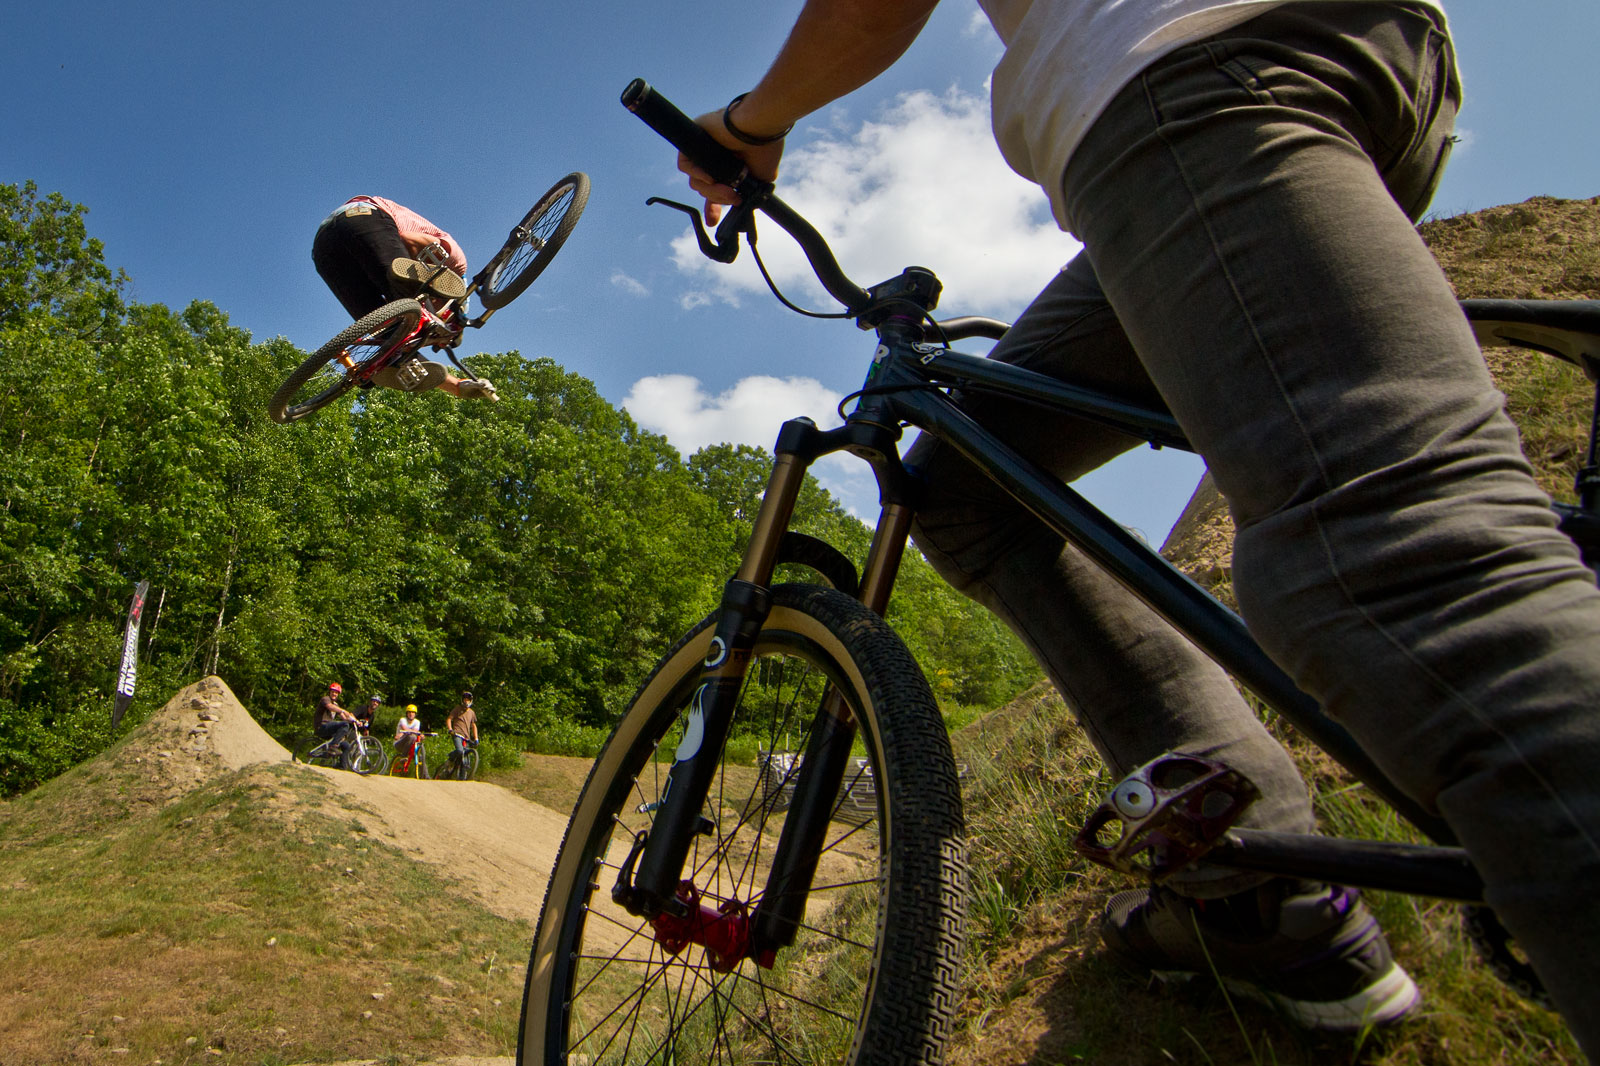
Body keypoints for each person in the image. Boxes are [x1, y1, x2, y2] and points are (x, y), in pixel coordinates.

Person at [675, 0, 1600, 1052]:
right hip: (1366, 60)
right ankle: (1254, 890)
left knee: (1387, 557)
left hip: (1195, 65)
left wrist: (749, 125)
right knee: (973, 489)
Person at [312, 195, 498, 401]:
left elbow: (426, 366)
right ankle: (419, 298)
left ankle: (385, 361)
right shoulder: (457, 263)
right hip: (361, 216)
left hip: (324, 249)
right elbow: (407, 238)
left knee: (385, 330)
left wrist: (459, 387)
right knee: (413, 304)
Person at [312, 681, 358, 762]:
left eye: (336, 693)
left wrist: (355, 721)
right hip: (321, 727)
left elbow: (344, 718)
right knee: (344, 725)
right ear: (330, 692)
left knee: (346, 745)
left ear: (338, 694)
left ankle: (341, 766)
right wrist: (343, 710)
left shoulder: (336, 705)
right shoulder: (325, 699)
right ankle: (332, 746)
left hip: (329, 730)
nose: (334, 694)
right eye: (333, 692)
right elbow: (330, 707)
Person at [445, 690, 479, 761]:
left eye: (468, 700)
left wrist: (476, 738)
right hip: (457, 734)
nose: (466, 701)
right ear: (462, 700)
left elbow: (473, 726)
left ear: (471, 701)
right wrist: (450, 729)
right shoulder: (457, 708)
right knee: (460, 751)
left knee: (466, 759)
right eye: (465, 699)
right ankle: (451, 757)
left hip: (466, 737)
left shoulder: (472, 712)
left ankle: (461, 771)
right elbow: (449, 719)